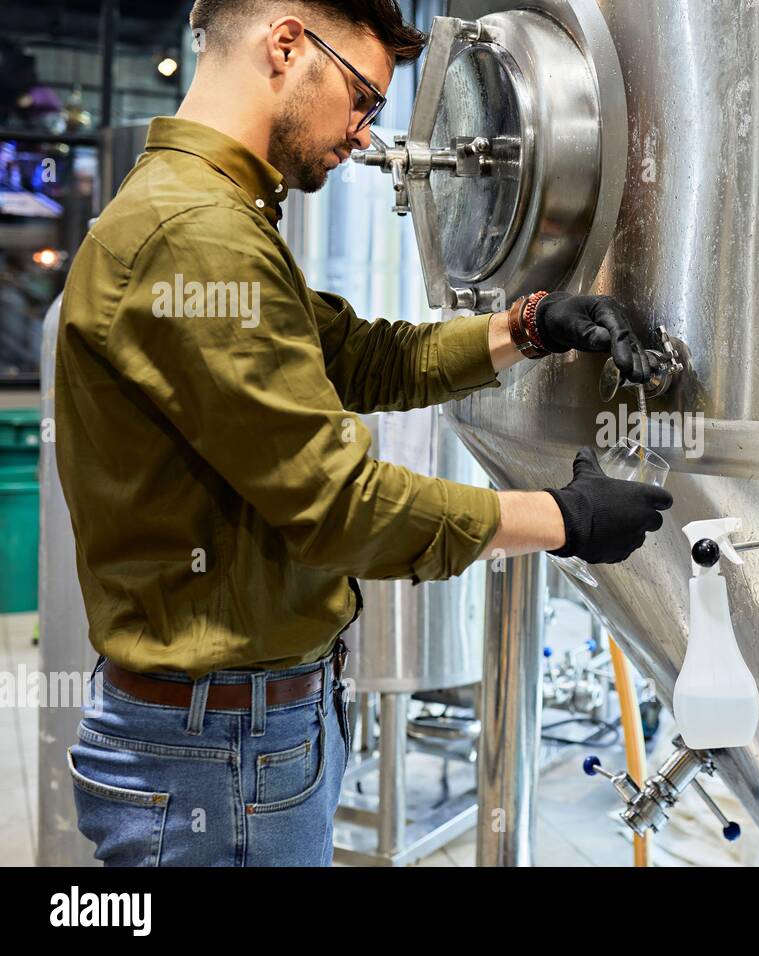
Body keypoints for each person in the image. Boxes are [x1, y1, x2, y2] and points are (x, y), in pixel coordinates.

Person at [55, 0, 671, 866]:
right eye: (364, 97)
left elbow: (356, 354)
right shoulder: (197, 235)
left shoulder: (211, 214)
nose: (364, 135)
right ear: (284, 45)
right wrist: (564, 519)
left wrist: (532, 325)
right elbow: (338, 506)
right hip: (221, 754)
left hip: (232, 733)